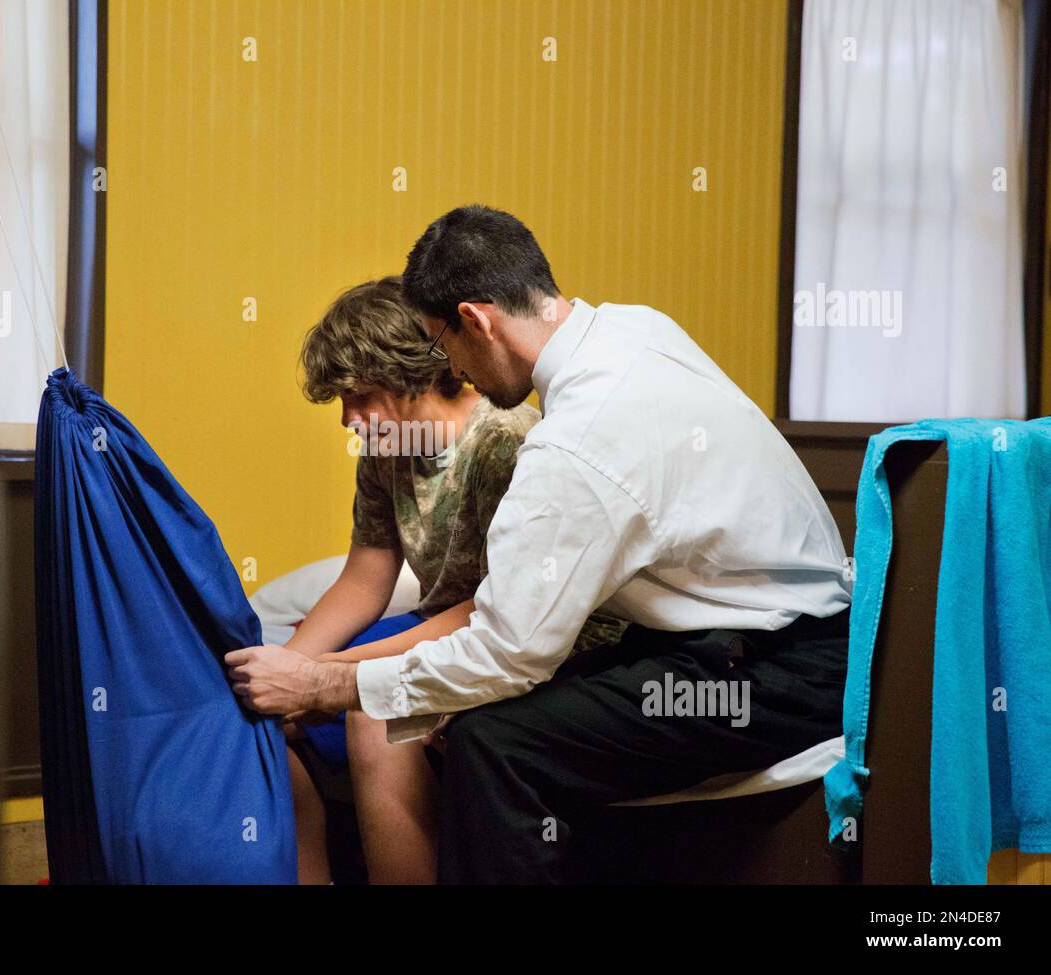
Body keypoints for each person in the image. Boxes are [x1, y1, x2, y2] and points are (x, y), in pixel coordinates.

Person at [226, 205, 853, 884]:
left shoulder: (569, 443)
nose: (451, 367)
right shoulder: (633, 328)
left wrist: (329, 682)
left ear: (477, 320)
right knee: (481, 721)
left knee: (495, 744)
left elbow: (505, 652)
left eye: (444, 343)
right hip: (741, 635)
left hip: (779, 668)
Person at [278, 275, 547, 884]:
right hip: (445, 622)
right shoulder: (386, 450)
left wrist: (331, 675)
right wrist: (287, 668)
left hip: (508, 633)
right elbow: (364, 580)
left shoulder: (506, 443)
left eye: (360, 396)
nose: (349, 419)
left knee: (374, 708)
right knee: (271, 722)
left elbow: (496, 610)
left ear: (415, 374)